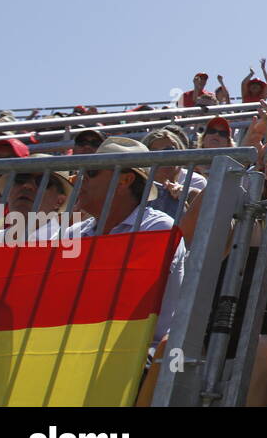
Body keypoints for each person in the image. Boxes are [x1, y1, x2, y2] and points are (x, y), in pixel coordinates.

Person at [58, 137, 187, 348]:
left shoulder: (158, 228)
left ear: (124, 181)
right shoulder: (74, 234)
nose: (79, 179)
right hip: (82, 350)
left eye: (91, 172)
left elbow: (121, 298)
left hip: (140, 356)